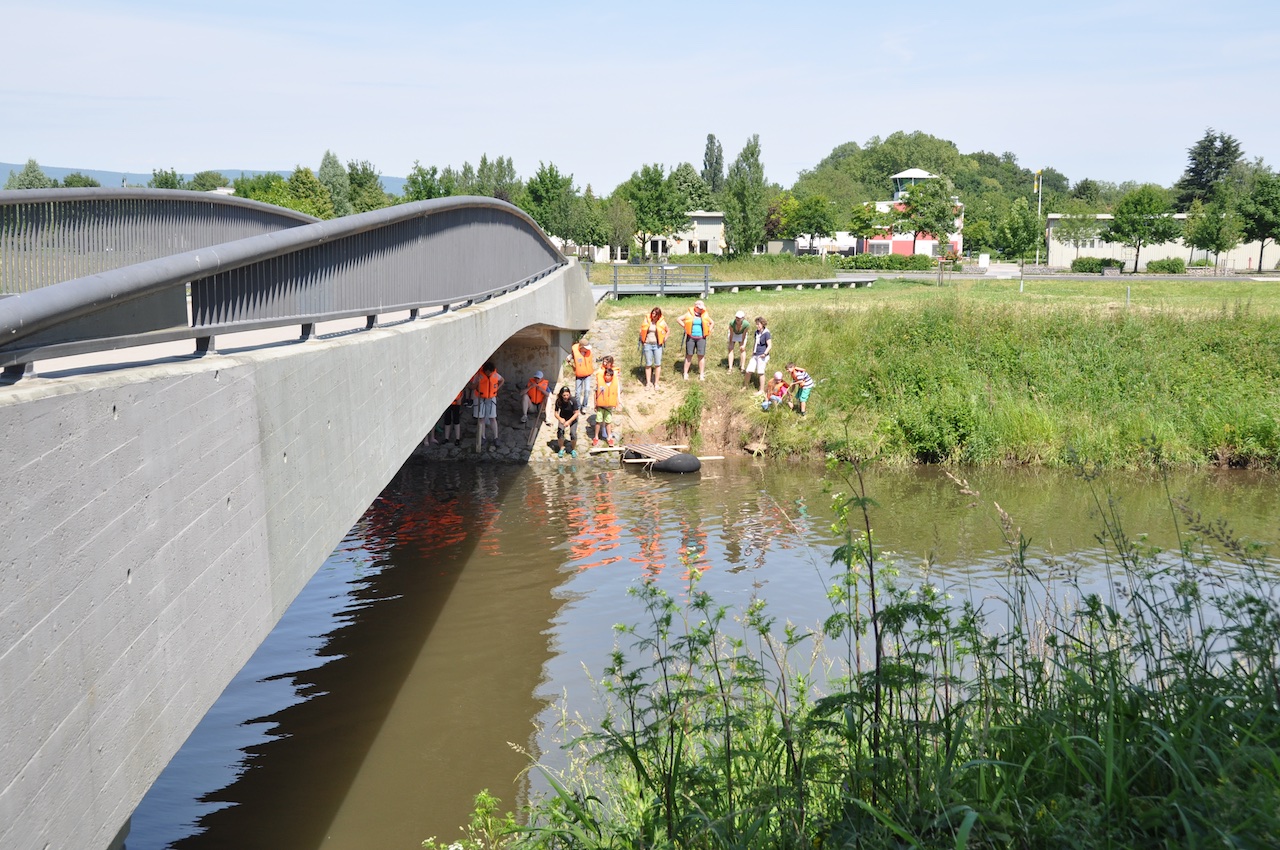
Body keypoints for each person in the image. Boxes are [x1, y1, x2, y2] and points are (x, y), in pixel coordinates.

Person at [471, 360, 504, 447]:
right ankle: (482, 437)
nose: (489, 374)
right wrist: (478, 382)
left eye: (490, 372)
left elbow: (502, 380)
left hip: (491, 398)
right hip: (480, 397)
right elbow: (471, 387)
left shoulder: (495, 374)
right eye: (487, 372)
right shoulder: (478, 375)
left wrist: (496, 389)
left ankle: (496, 437)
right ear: (485, 371)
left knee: (493, 417)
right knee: (481, 418)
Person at [679, 299, 714, 381]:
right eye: (699, 308)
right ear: (696, 307)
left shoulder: (704, 315)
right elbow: (679, 319)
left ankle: (701, 374)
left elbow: (712, 322)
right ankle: (685, 373)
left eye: (702, 308)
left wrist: (709, 330)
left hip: (701, 338)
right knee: (689, 355)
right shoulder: (689, 314)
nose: (701, 309)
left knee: (701, 355)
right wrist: (685, 326)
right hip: (691, 338)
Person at [638, 307, 668, 390]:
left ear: (659, 315)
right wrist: (642, 337)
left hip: (657, 345)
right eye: (652, 313)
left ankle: (656, 383)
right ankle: (648, 383)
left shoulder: (662, 322)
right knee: (648, 364)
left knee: (658, 364)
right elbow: (641, 329)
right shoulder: (647, 321)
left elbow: (668, 330)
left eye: (655, 314)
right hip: (647, 344)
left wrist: (665, 338)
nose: (653, 315)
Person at [592, 366, 620, 447]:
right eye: (606, 375)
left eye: (609, 375)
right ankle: (596, 437)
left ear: (611, 376)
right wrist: (595, 404)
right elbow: (595, 393)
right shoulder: (600, 383)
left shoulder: (614, 383)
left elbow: (616, 395)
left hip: (609, 408)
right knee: (598, 422)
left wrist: (617, 404)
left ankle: (609, 437)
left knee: (608, 422)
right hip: (600, 407)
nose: (607, 377)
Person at [745, 316, 772, 392]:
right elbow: (756, 343)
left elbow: (769, 345)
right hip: (755, 354)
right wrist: (753, 352)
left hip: (762, 355)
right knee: (748, 371)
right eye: (756, 324)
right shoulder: (756, 332)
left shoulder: (766, 333)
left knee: (760, 372)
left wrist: (765, 353)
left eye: (758, 324)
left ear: (762, 324)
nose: (757, 326)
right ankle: (745, 386)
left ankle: (761, 390)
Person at [567, 339, 595, 412]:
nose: (587, 349)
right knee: (578, 393)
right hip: (579, 375)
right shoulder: (575, 352)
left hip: (587, 375)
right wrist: (572, 365)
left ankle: (584, 406)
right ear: (581, 347)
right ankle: (578, 406)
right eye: (585, 348)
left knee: (587, 390)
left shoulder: (588, 352)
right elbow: (569, 358)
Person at [553, 385, 580, 457]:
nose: (566, 397)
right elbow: (555, 413)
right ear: (561, 395)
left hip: (572, 417)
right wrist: (560, 419)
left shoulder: (573, 400)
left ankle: (573, 449)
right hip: (563, 417)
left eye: (567, 395)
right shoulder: (559, 401)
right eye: (564, 395)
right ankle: (561, 448)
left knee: (573, 433)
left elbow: (576, 413)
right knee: (560, 432)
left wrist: (569, 421)